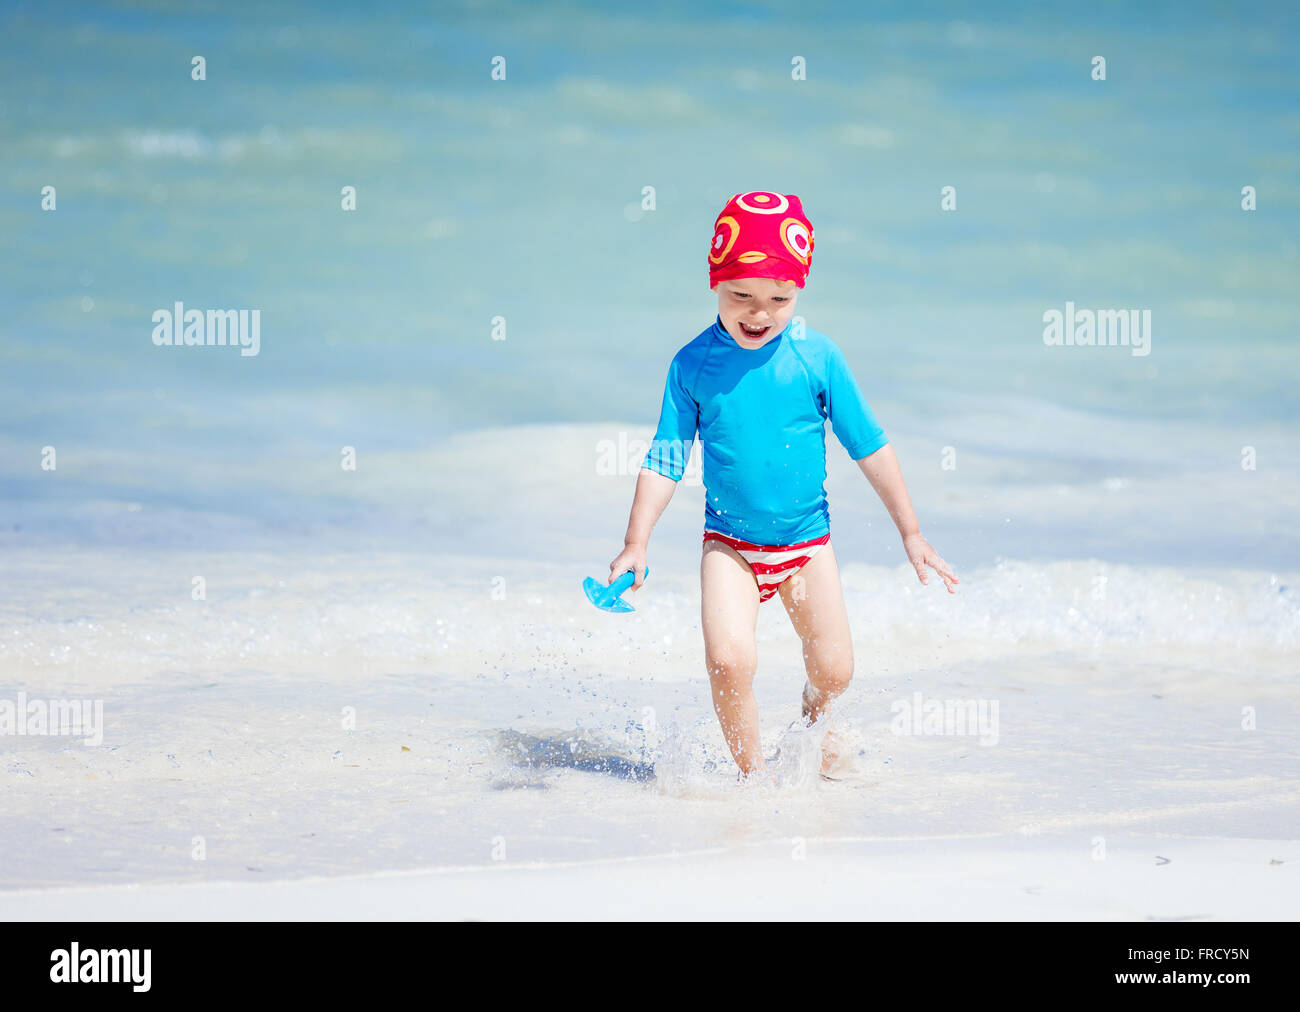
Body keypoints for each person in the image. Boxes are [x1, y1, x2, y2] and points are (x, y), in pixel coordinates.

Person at [610, 191, 958, 780]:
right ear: (714, 283)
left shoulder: (817, 358)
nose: (758, 312)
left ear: (798, 293)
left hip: (806, 545)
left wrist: (913, 532)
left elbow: (869, 446)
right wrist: (636, 541)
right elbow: (665, 459)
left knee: (836, 670)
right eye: (739, 294)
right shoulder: (692, 365)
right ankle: (754, 781)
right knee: (728, 659)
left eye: (778, 298)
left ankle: (811, 726)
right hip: (731, 545)